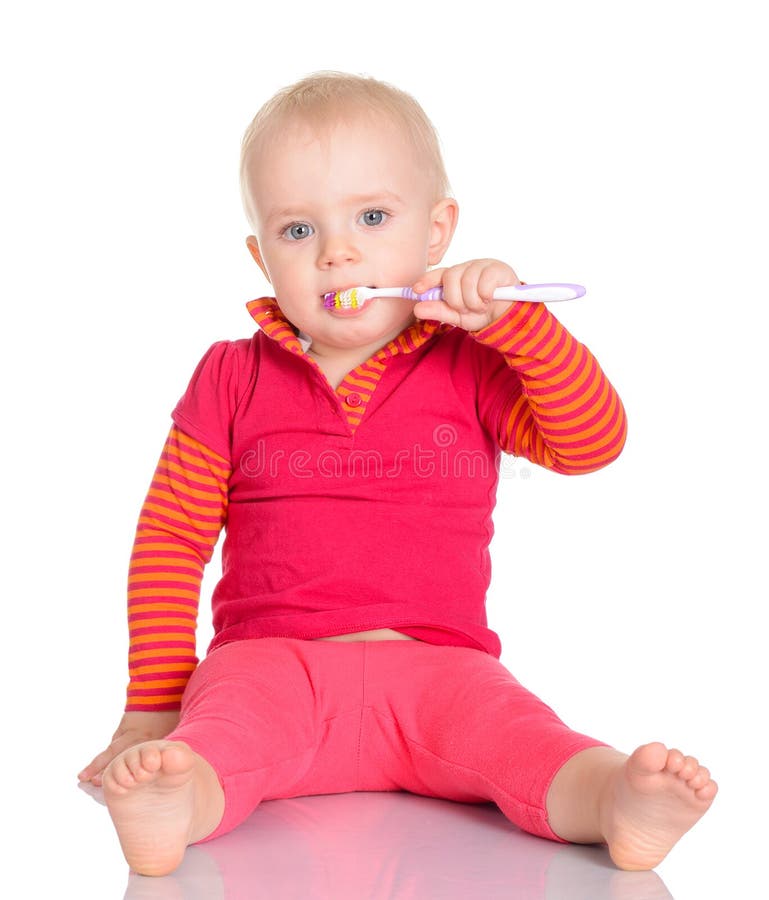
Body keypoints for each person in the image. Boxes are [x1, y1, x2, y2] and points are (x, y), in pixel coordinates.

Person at [78, 71, 716, 877]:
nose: (337, 251)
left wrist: (520, 327)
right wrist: (151, 711)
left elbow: (591, 442)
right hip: (272, 666)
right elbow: (170, 544)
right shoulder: (229, 377)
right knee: (215, 743)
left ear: (436, 232)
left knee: (528, 743)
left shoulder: (472, 363)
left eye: (372, 218)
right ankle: (175, 803)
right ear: (260, 255)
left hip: (439, 670)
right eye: (298, 230)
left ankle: (612, 800)